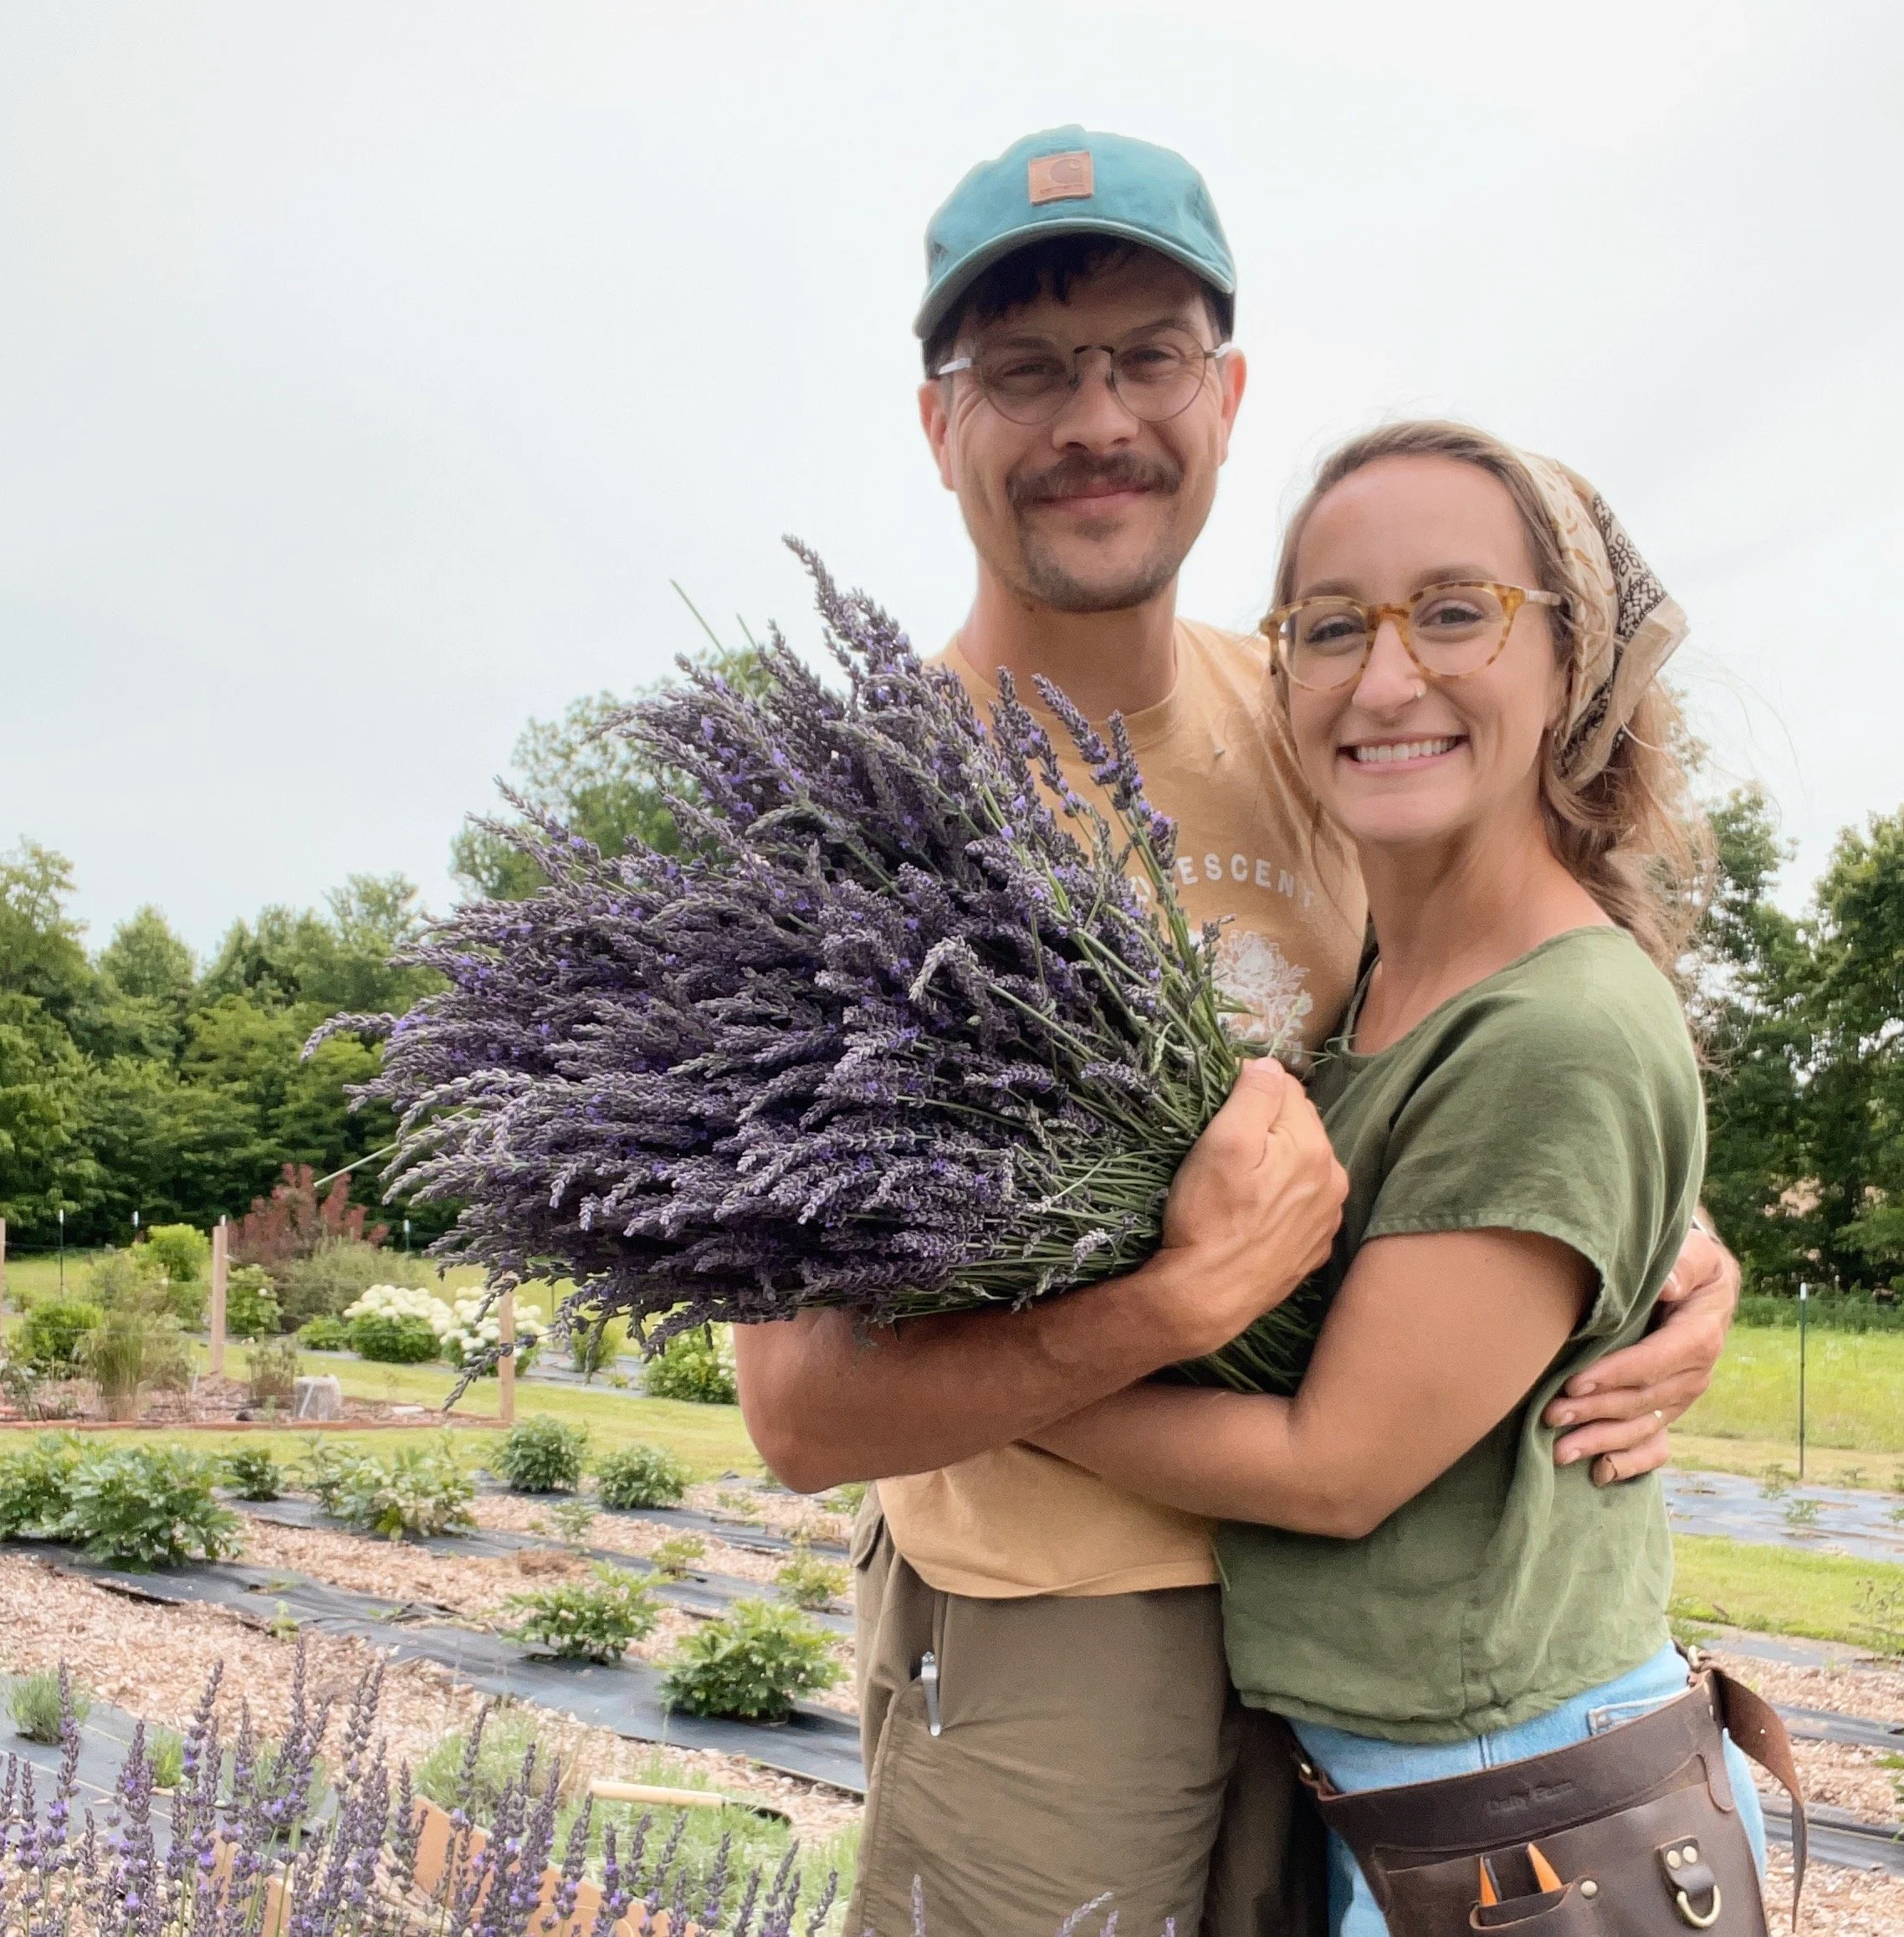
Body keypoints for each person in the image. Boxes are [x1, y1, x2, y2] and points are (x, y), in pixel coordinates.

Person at [734, 127, 1741, 1937]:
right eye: (1025, 370)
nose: (1095, 418)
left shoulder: (1320, 704)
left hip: (1373, 1646)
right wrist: (1168, 1308)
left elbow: (1489, 1030)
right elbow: (801, 1412)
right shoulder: (852, 820)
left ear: (1228, 393)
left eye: (1148, 356)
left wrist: (1654, 1235)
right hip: (1057, 1631)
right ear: (938, 424)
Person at [1028, 421, 1768, 1936]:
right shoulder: (1388, 975)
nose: (1384, 677)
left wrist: (978, 1389)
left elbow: (1336, 1467)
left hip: (1525, 1819)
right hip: (1429, 1795)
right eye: (1331, 626)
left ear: (1569, 662)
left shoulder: (1557, 1022)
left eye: (1453, 611)